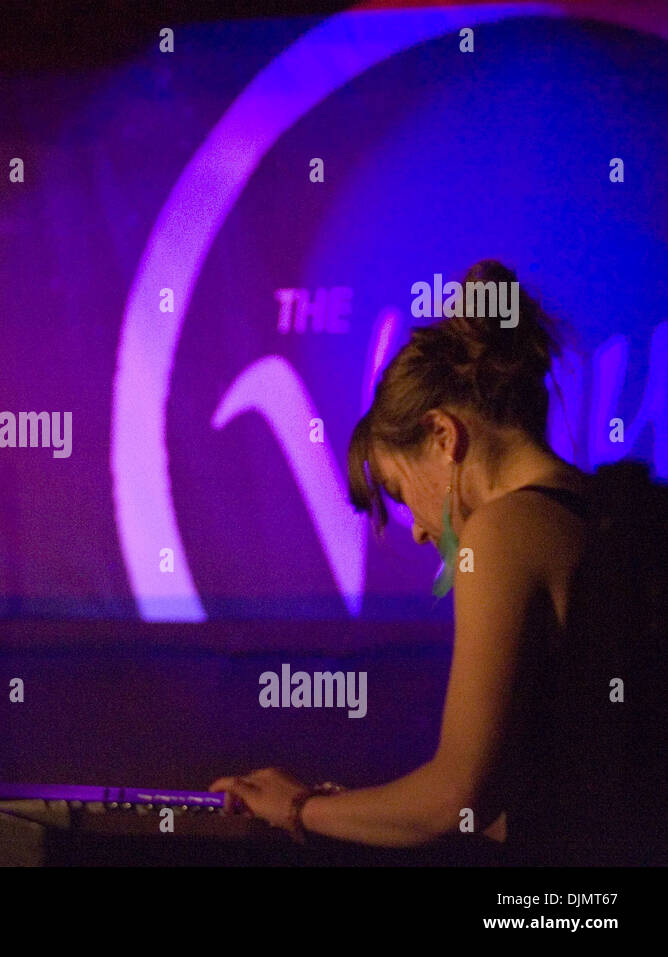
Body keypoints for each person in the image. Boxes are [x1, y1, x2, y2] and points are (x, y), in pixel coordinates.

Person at [210, 260, 667, 866]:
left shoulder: (504, 534)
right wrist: (367, 809)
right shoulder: (619, 511)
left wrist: (299, 809)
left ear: (443, 435)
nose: (422, 532)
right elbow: (569, 795)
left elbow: (456, 800)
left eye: (402, 495)